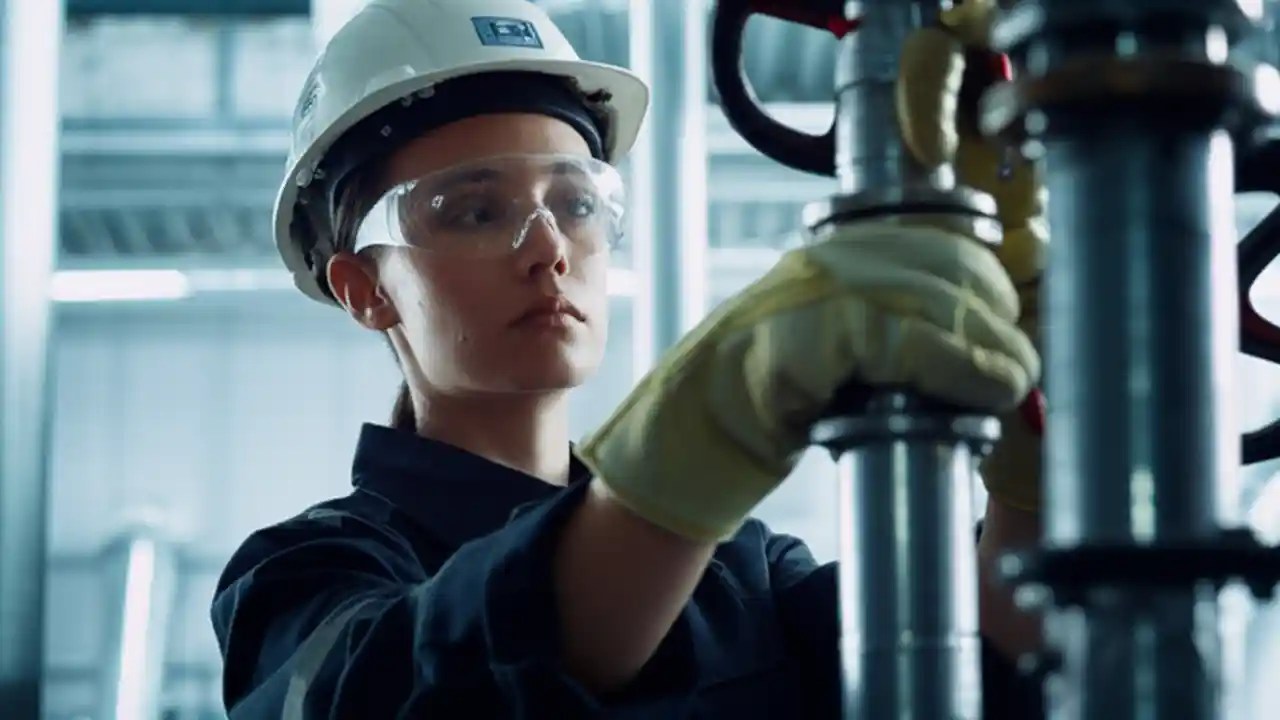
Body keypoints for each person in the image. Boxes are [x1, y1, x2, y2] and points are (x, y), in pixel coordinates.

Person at [210, 0, 1047, 717]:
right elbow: (393, 693)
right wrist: (708, 424)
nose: (549, 251)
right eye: (472, 211)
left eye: (575, 203)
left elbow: (982, 651)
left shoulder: (739, 570)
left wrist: (1051, 427)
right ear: (364, 288)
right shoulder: (307, 575)